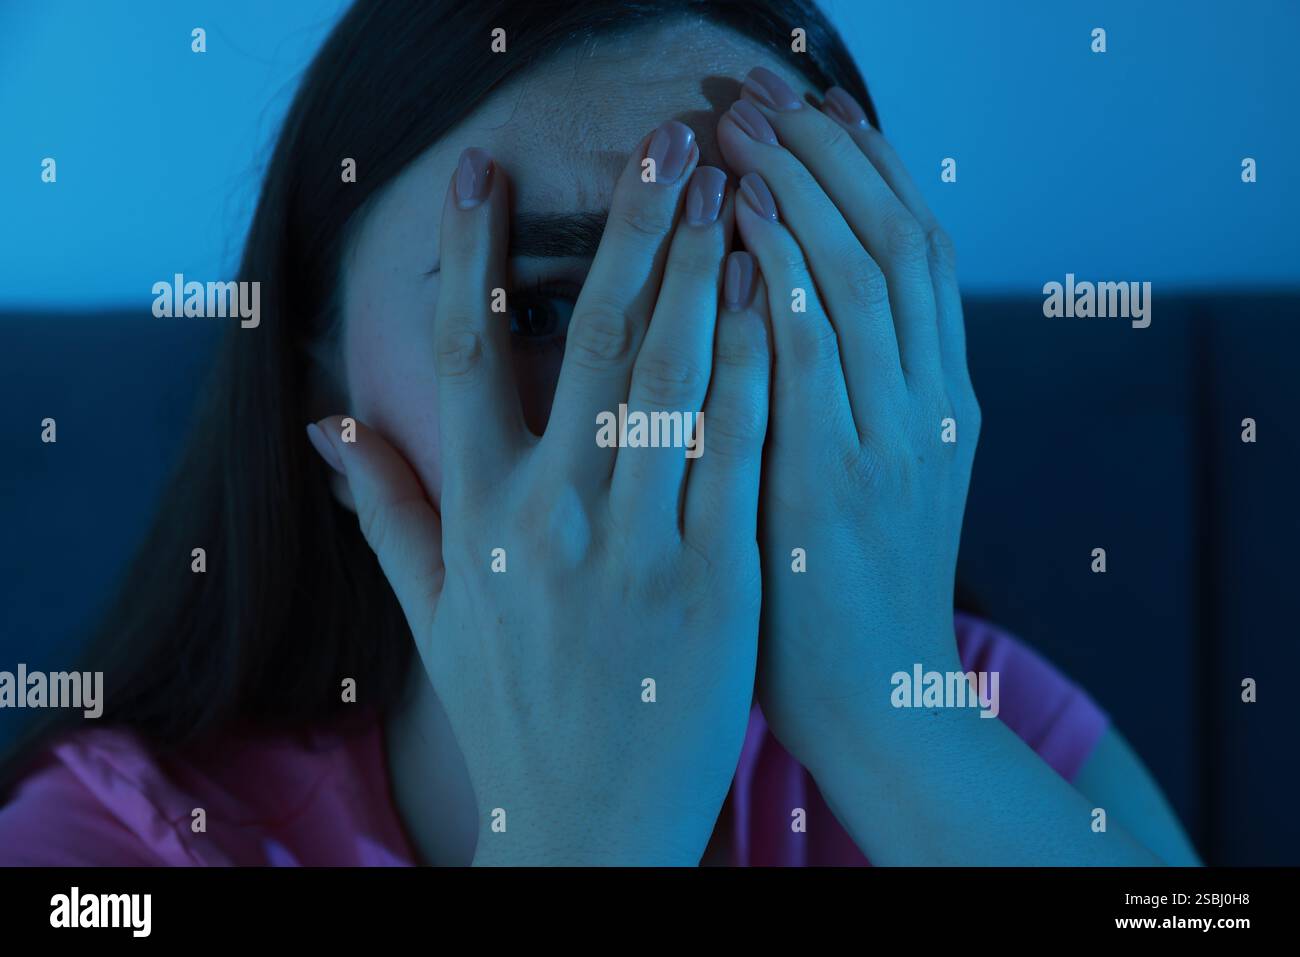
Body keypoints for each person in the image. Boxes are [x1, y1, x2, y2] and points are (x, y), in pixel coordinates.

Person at [0, 0, 1199, 866]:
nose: (674, 405)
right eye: (541, 308)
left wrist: (898, 728)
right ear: (323, 388)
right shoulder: (112, 849)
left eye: (783, 291)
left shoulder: (972, 718)